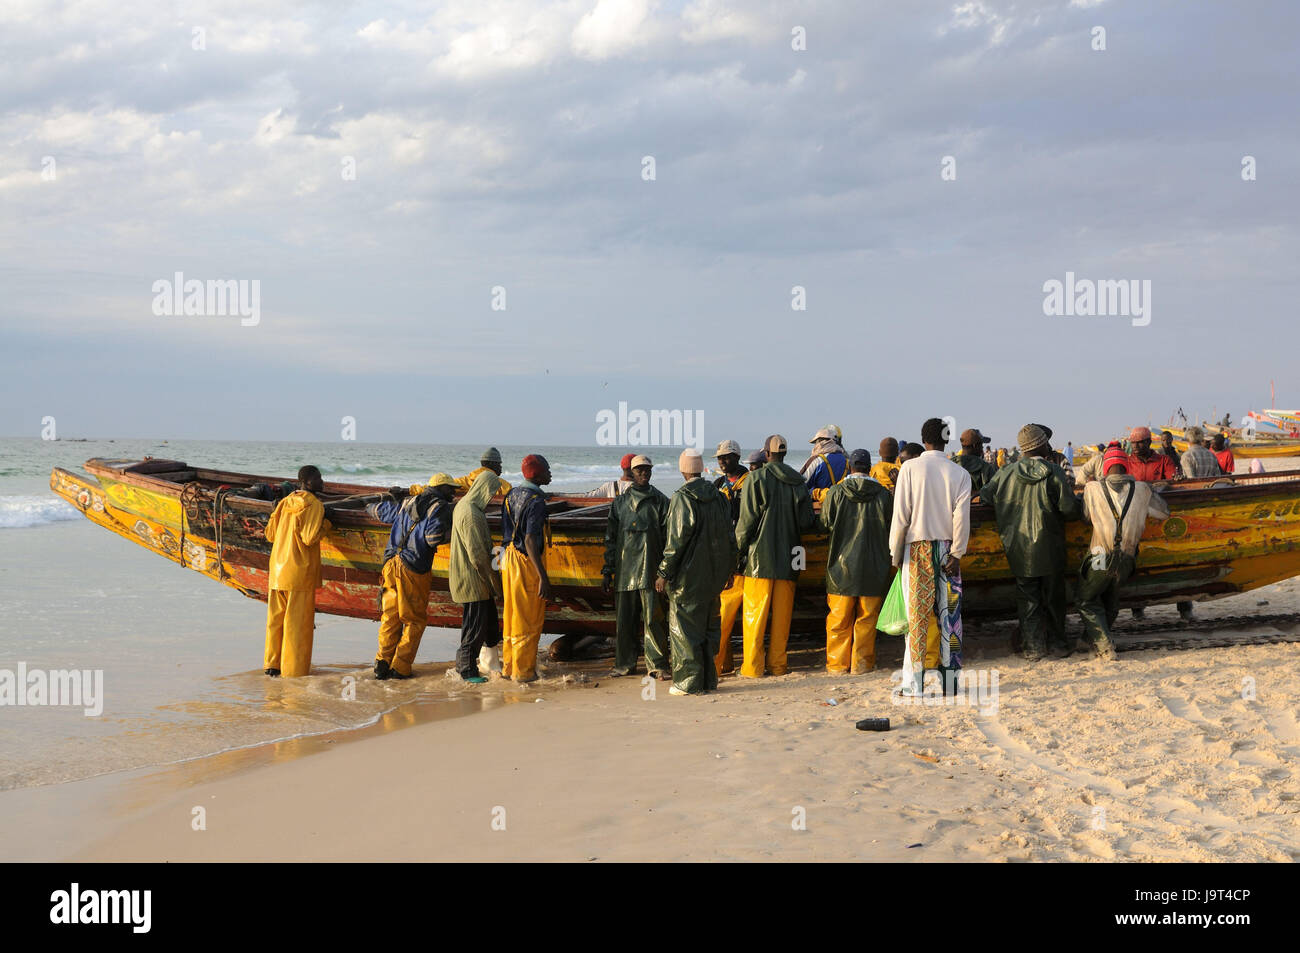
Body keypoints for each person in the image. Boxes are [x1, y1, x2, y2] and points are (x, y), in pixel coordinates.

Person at [980, 424, 1082, 661]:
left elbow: (985, 496)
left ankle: (1034, 647)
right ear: (1042, 445)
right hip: (1051, 546)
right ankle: (1058, 645)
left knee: (1028, 600)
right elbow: (1069, 510)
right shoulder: (1054, 471)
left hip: (1018, 548)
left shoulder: (1005, 472)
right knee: (1054, 598)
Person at [889, 419, 971, 697]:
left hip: (917, 550)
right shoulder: (959, 474)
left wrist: (895, 554)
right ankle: (951, 683)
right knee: (950, 619)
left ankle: (914, 685)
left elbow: (901, 516)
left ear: (923, 439)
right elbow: (961, 518)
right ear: (947, 440)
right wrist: (957, 552)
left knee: (917, 619)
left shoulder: (909, 469)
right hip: (948, 550)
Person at [655, 450, 737, 695]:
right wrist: (729, 569)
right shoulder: (720, 497)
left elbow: (676, 542)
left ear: (683, 470)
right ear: (701, 469)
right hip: (713, 575)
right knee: (709, 628)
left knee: (685, 630)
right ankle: (708, 680)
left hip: (688, 578)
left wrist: (663, 572)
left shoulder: (683, 498)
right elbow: (729, 537)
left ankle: (688, 682)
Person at [734, 434, 816, 678]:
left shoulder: (755, 479)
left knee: (755, 618)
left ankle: (752, 668)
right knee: (782, 619)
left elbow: (746, 522)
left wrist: (737, 551)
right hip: (790, 557)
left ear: (767, 455)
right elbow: (806, 522)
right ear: (784, 454)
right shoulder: (798, 482)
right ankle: (779, 666)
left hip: (760, 558)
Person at [1078, 446, 1170, 659]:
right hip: (1127, 557)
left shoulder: (1092, 489)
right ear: (1127, 466)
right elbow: (1164, 513)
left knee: (1087, 599)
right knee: (1111, 600)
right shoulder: (1142, 489)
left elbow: (1084, 517)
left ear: (1106, 467)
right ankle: (1088, 639)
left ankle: (1104, 645)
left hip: (1100, 554)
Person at [368, 474, 456, 679]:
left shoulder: (408, 501)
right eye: (450, 488)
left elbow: (381, 512)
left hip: (390, 564)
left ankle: (381, 663)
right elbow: (432, 538)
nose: (454, 492)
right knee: (414, 620)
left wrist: (368, 506)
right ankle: (400, 667)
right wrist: (451, 532)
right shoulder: (440, 507)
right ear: (441, 488)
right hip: (413, 568)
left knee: (390, 617)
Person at [819, 449, 893, 674]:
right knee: (867, 620)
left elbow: (825, 522)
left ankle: (837, 665)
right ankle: (862, 664)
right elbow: (892, 527)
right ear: (870, 467)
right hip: (874, 567)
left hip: (841, 569)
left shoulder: (836, 492)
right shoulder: (883, 495)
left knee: (838, 621)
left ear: (850, 467)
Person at [601, 454, 672, 679]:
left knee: (654, 621)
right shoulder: (620, 503)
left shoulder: (661, 501)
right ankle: (624, 664)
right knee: (624, 622)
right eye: (639, 469)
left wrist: (665, 572)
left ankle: (658, 665)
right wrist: (607, 570)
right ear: (631, 473)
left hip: (651, 571)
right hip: (625, 572)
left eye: (647, 469)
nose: (644, 473)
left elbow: (670, 539)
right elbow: (610, 539)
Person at [263, 466, 332, 677]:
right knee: (297, 625)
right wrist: (327, 525)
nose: (323, 482)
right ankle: (293, 673)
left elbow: (270, 534)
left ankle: (272, 666)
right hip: (299, 574)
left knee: (275, 621)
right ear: (309, 483)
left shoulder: (285, 501)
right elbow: (310, 538)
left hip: (277, 571)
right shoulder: (314, 505)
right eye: (319, 478)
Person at [500, 454, 553, 683]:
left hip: (508, 558)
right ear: (537, 473)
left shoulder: (511, 494)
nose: (550, 473)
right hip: (525, 561)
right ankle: (523, 673)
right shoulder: (536, 502)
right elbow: (531, 539)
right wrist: (543, 576)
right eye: (547, 470)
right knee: (528, 619)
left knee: (511, 615)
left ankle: (509, 667)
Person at [449, 469, 504, 683]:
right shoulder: (471, 514)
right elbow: (478, 557)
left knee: (489, 626)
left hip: (474, 579)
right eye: (491, 492)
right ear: (482, 489)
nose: (492, 497)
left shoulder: (466, 506)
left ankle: (490, 664)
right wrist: (495, 583)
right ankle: (466, 671)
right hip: (473, 580)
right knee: (473, 629)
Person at [712, 440, 751, 675]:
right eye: (720, 458)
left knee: (747, 618)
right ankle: (722, 664)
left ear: (737, 457)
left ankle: (749, 664)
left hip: (746, 559)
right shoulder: (717, 485)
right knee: (723, 617)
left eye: (727, 457)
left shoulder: (751, 484)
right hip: (724, 558)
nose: (723, 461)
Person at [801, 426, 848, 493]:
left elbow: (800, 485)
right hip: (842, 502)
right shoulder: (847, 461)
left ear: (820, 442)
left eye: (816, 442)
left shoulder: (816, 460)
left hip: (821, 502)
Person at [954, 428, 997, 496]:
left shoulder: (950, 464)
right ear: (975, 446)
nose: (982, 447)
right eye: (981, 444)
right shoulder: (986, 468)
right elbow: (995, 492)